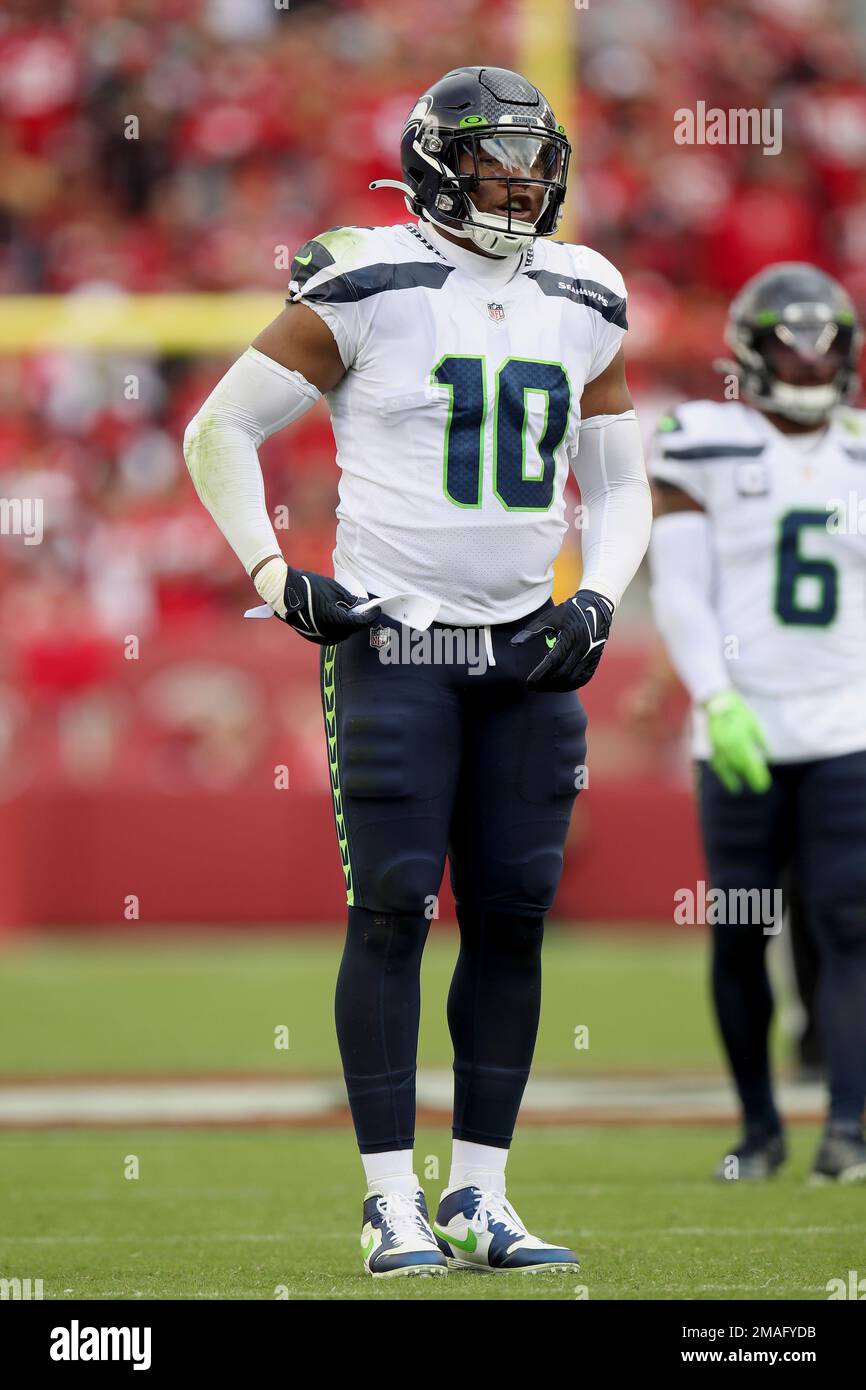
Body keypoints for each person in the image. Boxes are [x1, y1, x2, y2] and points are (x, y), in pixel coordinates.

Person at [185, 65, 651, 1274]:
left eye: (535, 162)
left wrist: (595, 597)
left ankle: (479, 1195)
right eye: (496, 160)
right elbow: (217, 426)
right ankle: (388, 1198)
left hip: (523, 645)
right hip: (396, 639)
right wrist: (269, 572)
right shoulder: (367, 278)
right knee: (392, 905)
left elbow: (614, 478)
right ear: (441, 163)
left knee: (513, 917)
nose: (521, 182)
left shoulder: (584, 288)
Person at [648, 262, 866, 1182]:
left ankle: (848, 1127)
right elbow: (682, 590)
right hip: (740, 724)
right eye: (793, 346)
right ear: (751, 349)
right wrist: (715, 696)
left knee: (850, 921)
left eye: (827, 349)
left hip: (848, 724)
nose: (812, 367)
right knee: (742, 925)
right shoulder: (701, 439)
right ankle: (759, 1127)